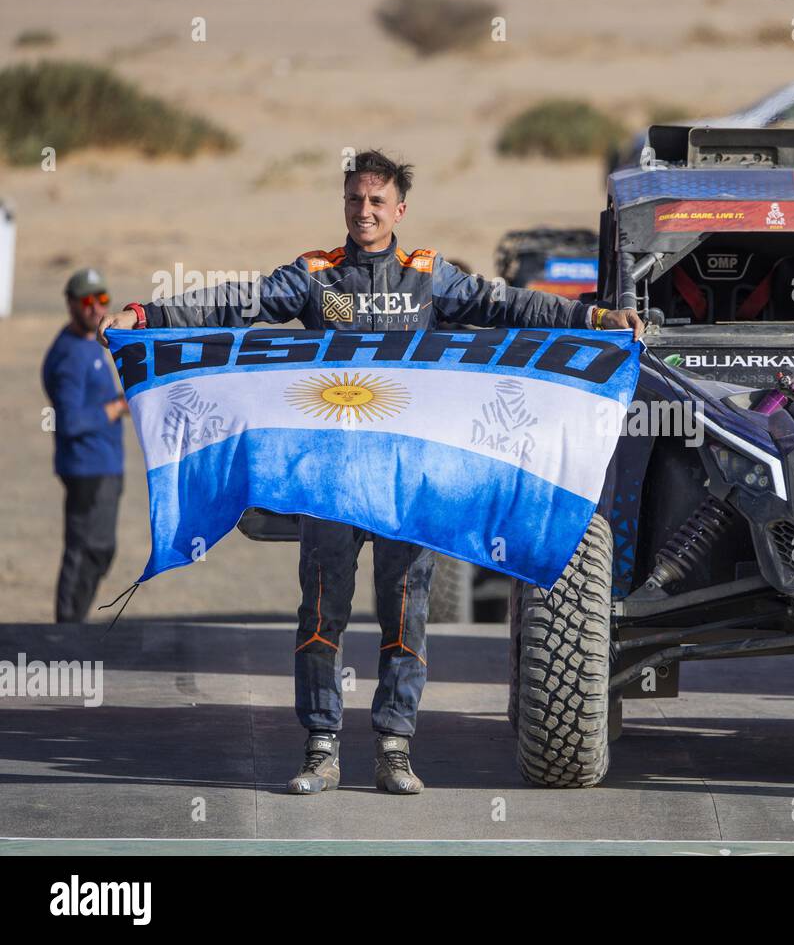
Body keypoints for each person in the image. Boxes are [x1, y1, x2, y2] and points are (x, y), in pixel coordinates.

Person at [98, 149, 643, 795]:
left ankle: (394, 748)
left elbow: (511, 308)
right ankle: (321, 748)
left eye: (376, 202)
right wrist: (147, 316)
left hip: (406, 489)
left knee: (405, 618)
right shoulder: (313, 275)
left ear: (399, 210)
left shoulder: (430, 276)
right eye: (355, 200)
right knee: (320, 616)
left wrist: (593, 319)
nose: (364, 211)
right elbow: (236, 304)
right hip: (327, 483)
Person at [42, 269, 129, 624]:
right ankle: (67, 628)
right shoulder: (70, 357)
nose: (96, 309)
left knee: (100, 549)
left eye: (102, 300)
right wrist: (116, 407)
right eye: (87, 302)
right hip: (86, 469)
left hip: (104, 464)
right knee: (85, 550)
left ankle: (73, 623)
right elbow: (70, 421)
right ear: (71, 304)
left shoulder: (87, 344)